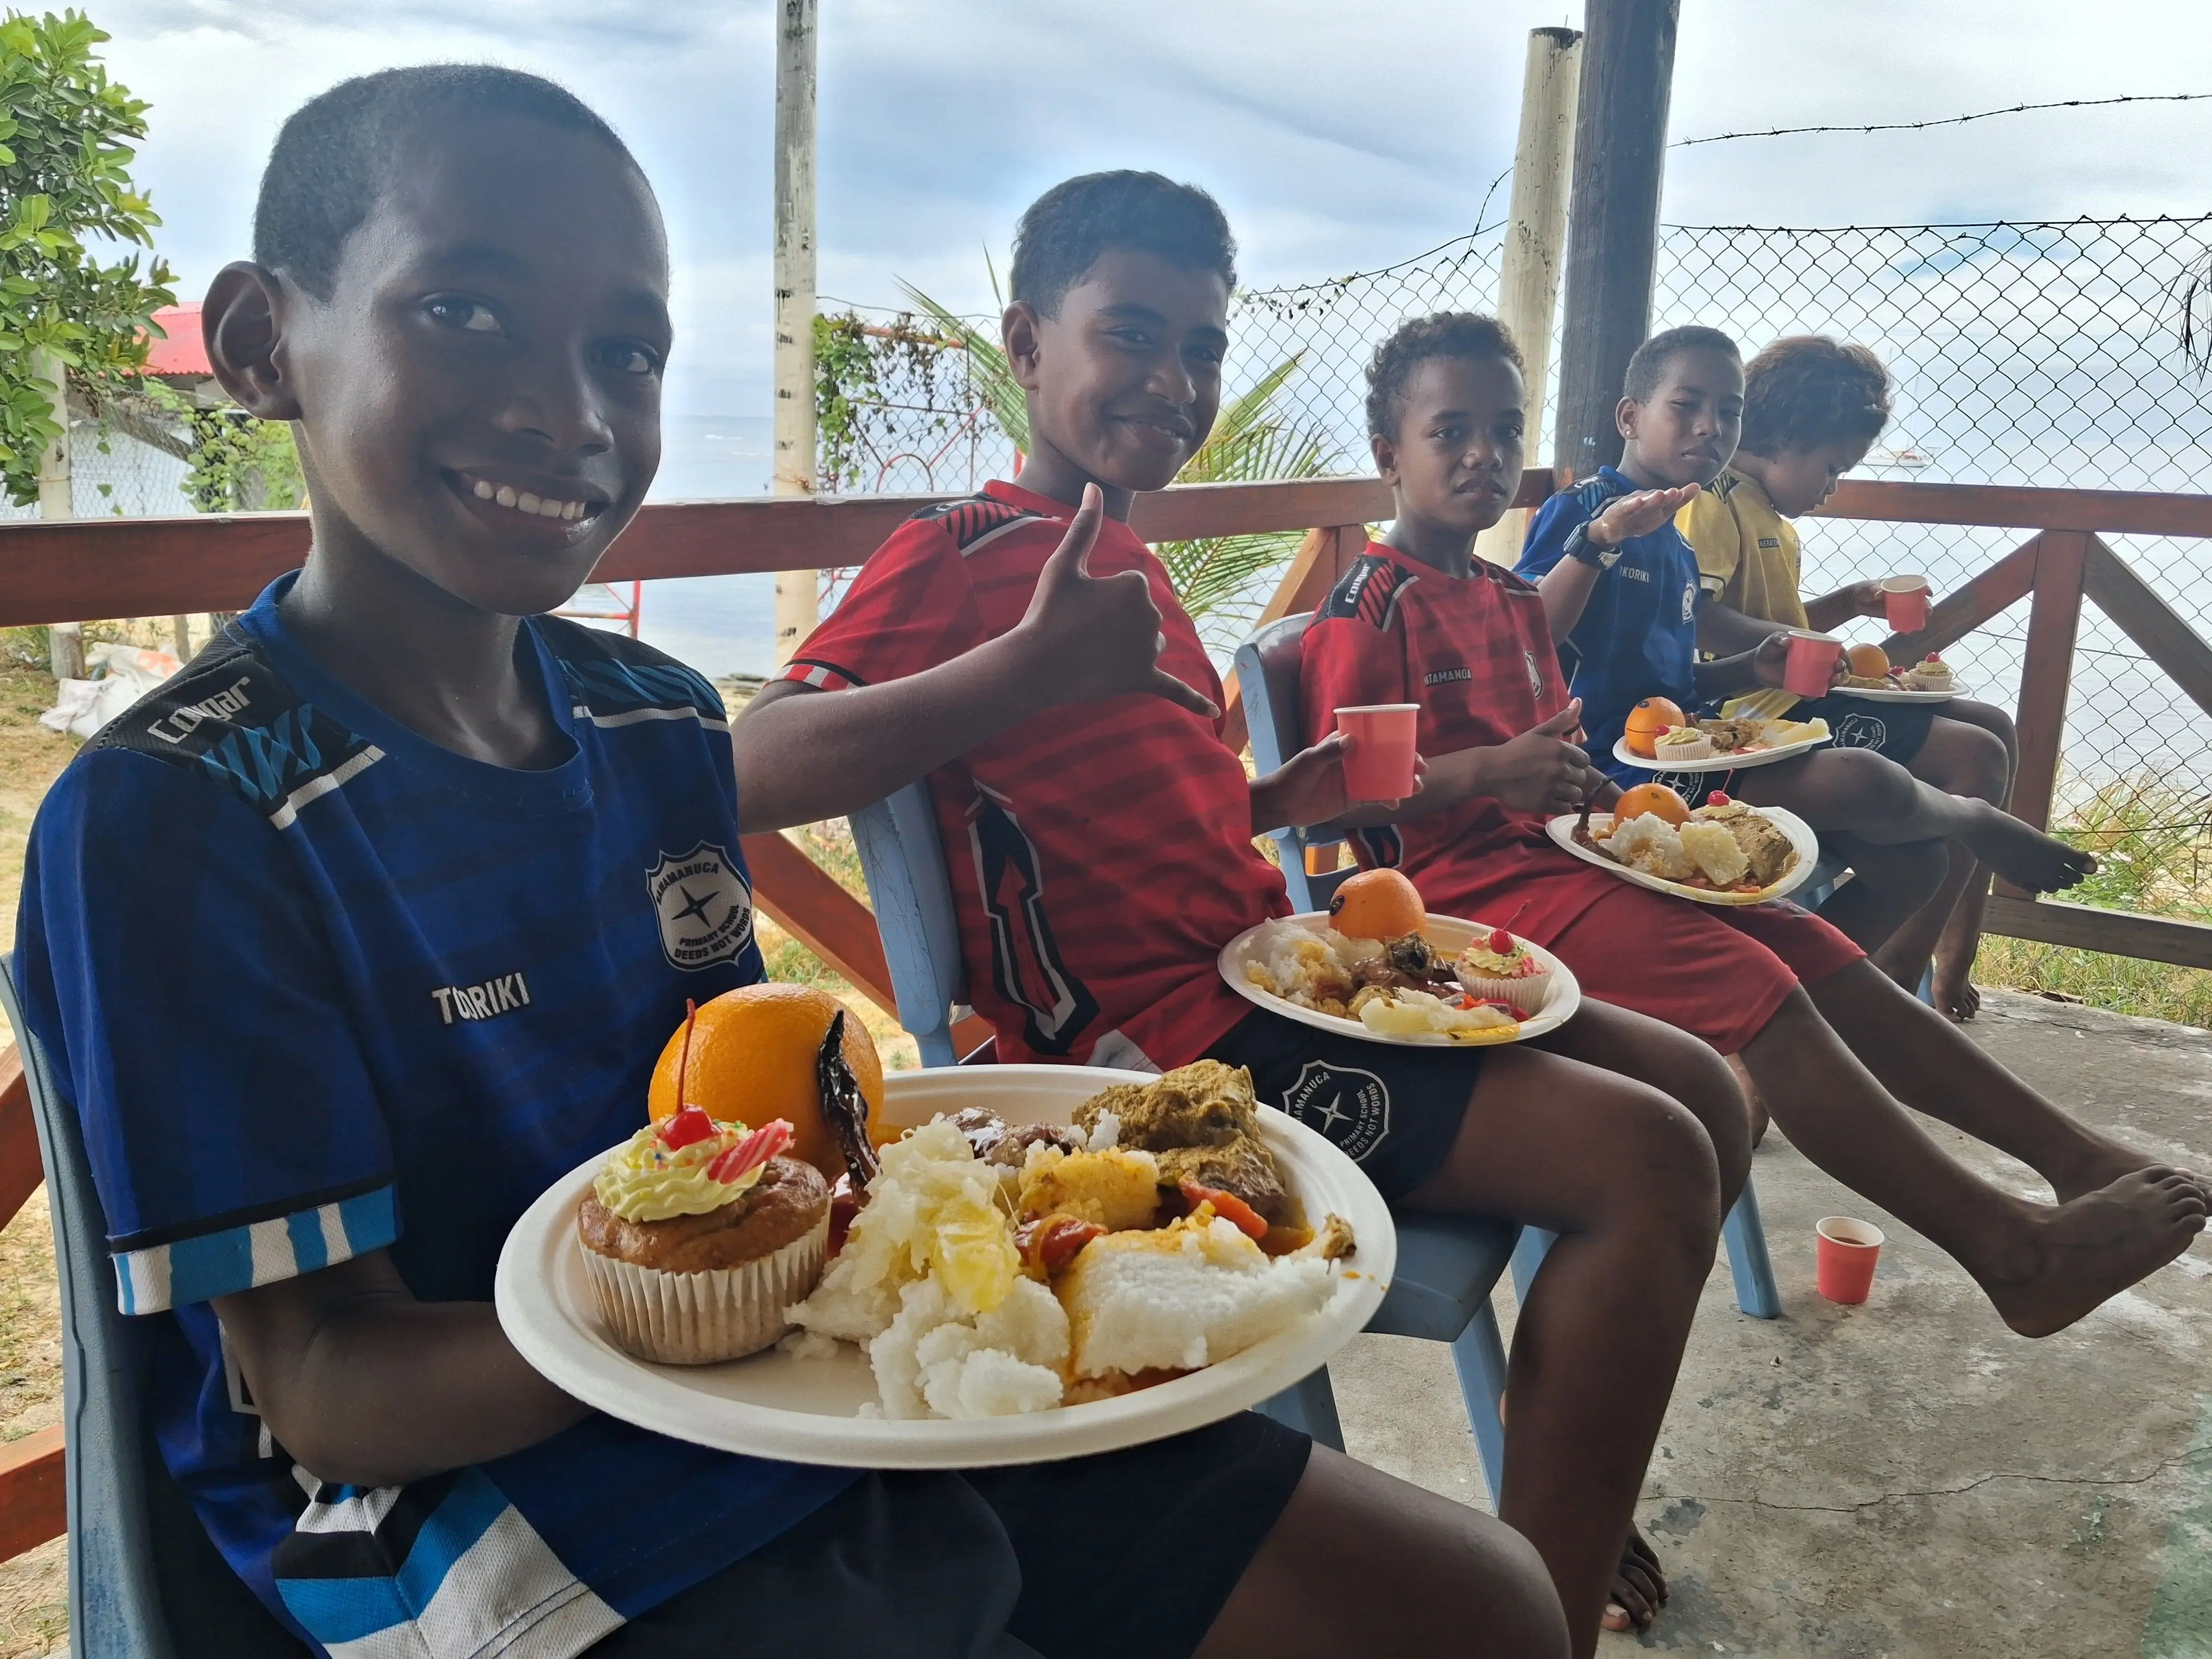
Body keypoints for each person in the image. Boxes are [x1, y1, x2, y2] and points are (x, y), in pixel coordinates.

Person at [10, 75, 1577, 1659]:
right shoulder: (186, 815)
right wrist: (737, 1286)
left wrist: (915, 1198)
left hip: (797, 1385)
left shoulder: (645, 715)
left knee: (1482, 1607)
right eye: (464, 310)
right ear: (267, 341)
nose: (569, 409)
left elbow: (753, 1107)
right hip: (483, 1511)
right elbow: (328, 1394)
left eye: (626, 352)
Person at [735, 170, 1760, 1656]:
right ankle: (1545, 1600)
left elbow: (1161, 818)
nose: (1173, 379)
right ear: (1028, 343)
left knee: (1704, 1089)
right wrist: (1014, 670)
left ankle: (1571, 1486)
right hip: (1161, 1054)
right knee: (1652, 1157)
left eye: (1203, 347)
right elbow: (748, 765)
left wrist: (1286, 800)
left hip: (1277, 972)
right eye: (1131, 334)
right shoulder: (966, 552)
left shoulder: (1131, 561)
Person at [1293, 307, 2204, 1361]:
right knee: (1750, 982)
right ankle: (2011, 1254)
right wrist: (1497, 772)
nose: (1484, 455)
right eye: (1450, 431)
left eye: (1504, 429)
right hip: (1456, 914)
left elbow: (1546, 740)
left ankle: (2074, 1157)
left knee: (1806, 941)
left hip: (1557, 859)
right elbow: (1339, 804)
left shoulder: (1505, 596)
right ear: (1387, 456)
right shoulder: (1369, 608)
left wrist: (1594, 795)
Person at [1514, 325, 2096, 957]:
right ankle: (1978, 820)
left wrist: (1751, 667)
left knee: (1916, 867)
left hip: (1681, 747)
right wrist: (1597, 543)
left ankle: (1808, 1003)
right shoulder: (1586, 511)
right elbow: (1527, 636)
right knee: (1864, 777)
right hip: (1606, 765)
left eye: (1729, 412)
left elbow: (1674, 684)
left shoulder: (1676, 544)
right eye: (1686, 406)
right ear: (1630, 417)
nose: (1710, 426)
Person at [1679, 335, 2017, 1020]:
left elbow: (1772, 615)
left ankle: (1948, 959)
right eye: (1832, 468)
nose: (1832, 490)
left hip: (1793, 699)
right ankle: (1901, 972)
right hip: (1750, 716)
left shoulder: (1767, 511)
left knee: (1994, 726)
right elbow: (1699, 617)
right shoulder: (1712, 502)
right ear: (1788, 434)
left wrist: (1842, 607)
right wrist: (1801, 641)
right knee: (1975, 756)